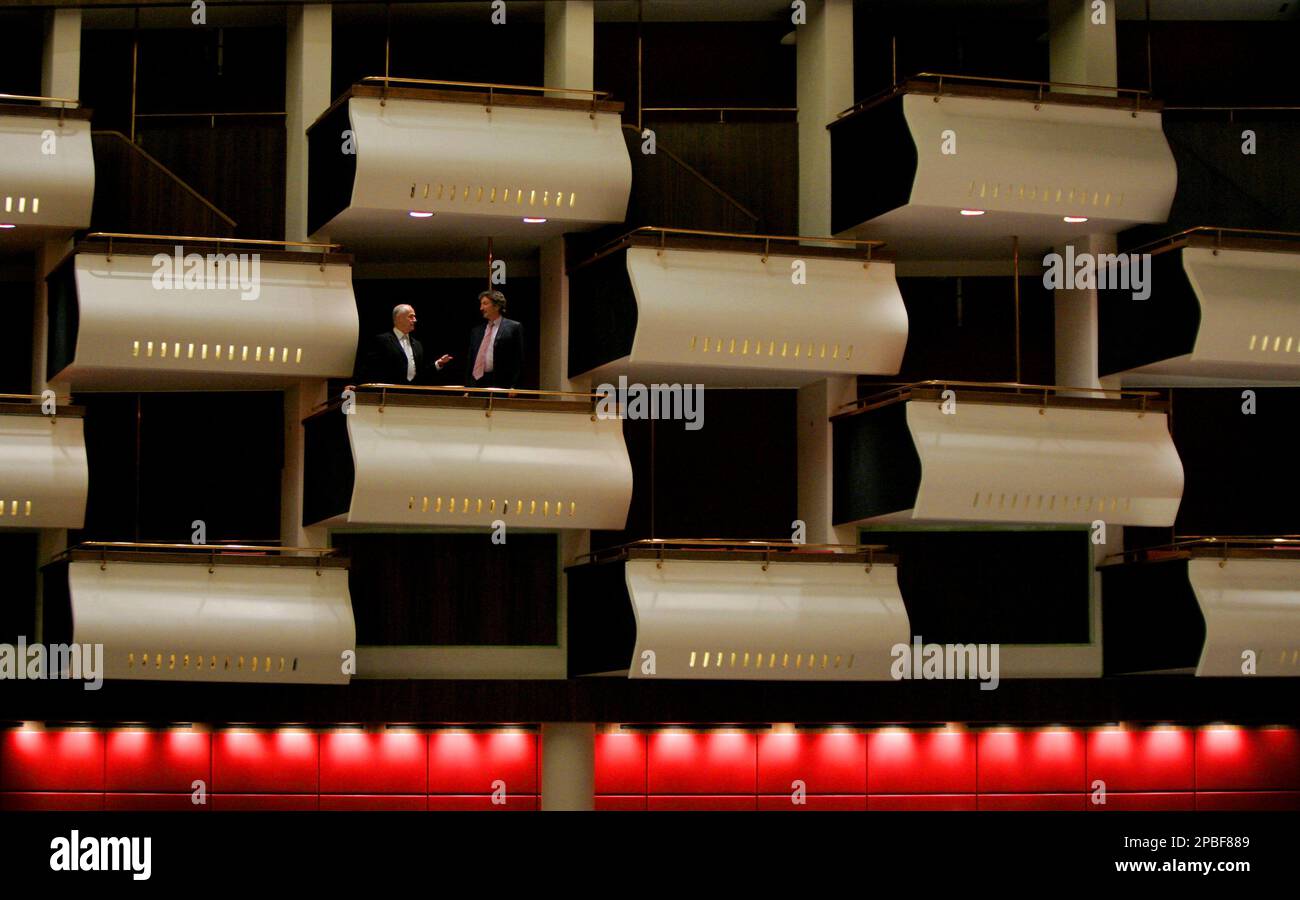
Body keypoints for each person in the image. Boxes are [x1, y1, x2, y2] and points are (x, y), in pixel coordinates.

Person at [355, 304, 452, 386]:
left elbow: (419, 374)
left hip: (410, 395)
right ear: (399, 318)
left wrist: (437, 364)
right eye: (411, 316)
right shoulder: (382, 340)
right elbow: (368, 366)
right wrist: (355, 384)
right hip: (387, 394)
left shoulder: (417, 345)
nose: (415, 320)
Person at [466, 289, 523, 390]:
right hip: (477, 383)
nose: (481, 308)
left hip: (501, 383)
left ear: (496, 306)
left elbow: (519, 359)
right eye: (481, 304)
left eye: (485, 304)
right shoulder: (477, 331)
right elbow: (471, 360)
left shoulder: (513, 327)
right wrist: (468, 387)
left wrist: (515, 386)